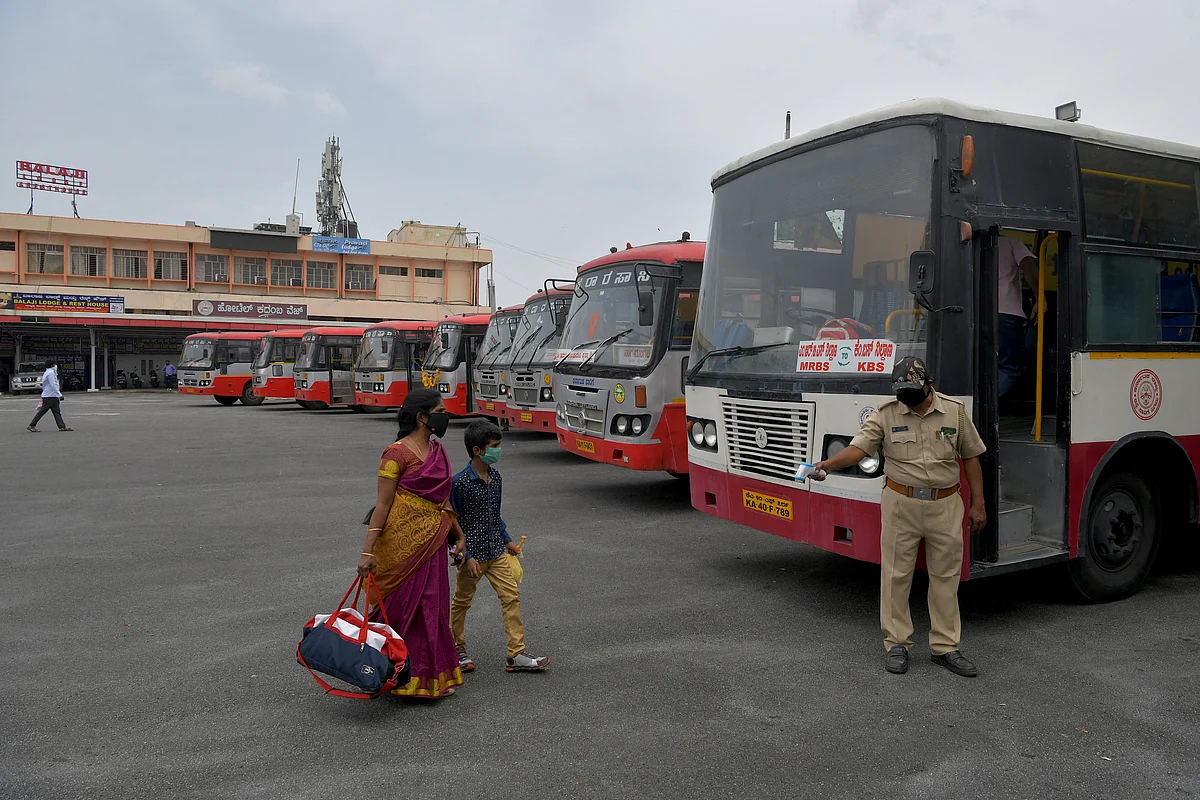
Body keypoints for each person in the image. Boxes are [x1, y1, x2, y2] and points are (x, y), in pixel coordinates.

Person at [812, 357, 986, 677]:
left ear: (928, 385)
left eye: (911, 391)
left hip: (945, 505)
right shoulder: (887, 413)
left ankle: (946, 647)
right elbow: (859, 449)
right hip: (900, 504)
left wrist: (979, 504)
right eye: (901, 391)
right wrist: (829, 464)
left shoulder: (955, 411)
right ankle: (897, 644)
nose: (905, 397)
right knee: (895, 576)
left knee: (945, 578)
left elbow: (972, 457)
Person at [358, 388, 466, 699]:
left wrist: (458, 535)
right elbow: (382, 504)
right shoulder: (396, 453)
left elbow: (442, 502)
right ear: (422, 417)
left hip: (431, 545)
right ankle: (394, 675)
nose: (445, 416)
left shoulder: (436, 451)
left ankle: (429, 678)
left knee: (431, 609)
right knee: (402, 608)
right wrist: (368, 551)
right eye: (440, 411)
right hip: (401, 547)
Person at [449, 420, 549, 673]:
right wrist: (466, 556)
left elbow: (495, 514)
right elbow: (451, 523)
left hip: (496, 552)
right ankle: (456, 648)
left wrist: (508, 541)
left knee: (511, 597)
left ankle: (516, 653)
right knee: (462, 602)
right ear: (477, 450)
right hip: (472, 557)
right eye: (494, 446)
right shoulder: (459, 483)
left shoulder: (495, 477)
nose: (498, 451)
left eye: (499, 445)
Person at [998, 236, 1039, 398]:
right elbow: (1027, 264)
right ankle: (982, 409)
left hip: (975, 314)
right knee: (1008, 368)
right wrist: (1039, 296)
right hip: (1007, 314)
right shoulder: (1011, 242)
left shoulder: (969, 240)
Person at [27, 360, 72, 433]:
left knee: (56, 412)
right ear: (52, 365)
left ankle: (62, 426)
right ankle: (32, 425)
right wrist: (59, 394)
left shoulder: (48, 372)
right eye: (55, 365)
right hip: (49, 396)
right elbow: (53, 385)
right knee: (42, 412)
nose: (56, 366)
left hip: (52, 396)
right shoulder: (50, 373)